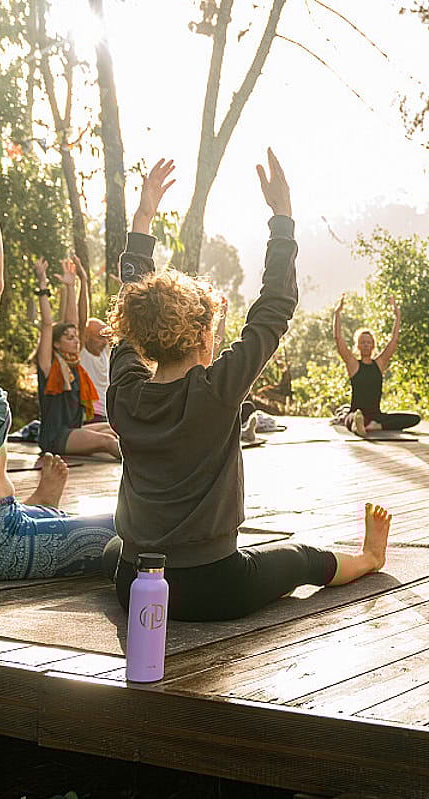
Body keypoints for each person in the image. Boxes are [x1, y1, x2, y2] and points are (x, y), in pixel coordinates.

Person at [106, 153, 391, 621]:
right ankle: (369, 560)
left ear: (140, 334)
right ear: (202, 336)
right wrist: (283, 219)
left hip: (132, 581)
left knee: (113, 548)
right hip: (213, 585)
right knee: (298, 558)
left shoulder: (124, 392)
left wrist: (142, 221)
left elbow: (130, 311)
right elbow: (274, 307)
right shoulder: (216, 391)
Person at [0, 193, 115, 581]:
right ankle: (42, 507)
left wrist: (74, 285)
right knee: (132, 529)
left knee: (59, 515)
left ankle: (41, 503)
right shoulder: (48, 360)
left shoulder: (74, 361)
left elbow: (70, 323)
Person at [33, 258, 121, 459]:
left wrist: (72, 285)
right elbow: (47, 325)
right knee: (107, 441)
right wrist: (42, 285)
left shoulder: (74, 363)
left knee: (115, 428)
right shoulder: (49, 365)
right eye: (69, 338)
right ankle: (146, 468)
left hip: (74, 429)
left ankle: (158, 454)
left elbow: (74, 321)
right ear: (56, 343)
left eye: (76, 338)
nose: (75, 342)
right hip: (55, 437)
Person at [333, 293, 420, 435]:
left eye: (368, 342)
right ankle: (357, 424)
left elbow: (394, 341)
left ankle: (373, 426)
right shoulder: (353, 364)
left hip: (376, 416)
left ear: (373, 345)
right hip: (357, 412)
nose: (366, 345)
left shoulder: (379, 364)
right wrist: (337, 313)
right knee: (350, 417)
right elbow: (338, 338)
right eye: (362, 342)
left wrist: (397, 317)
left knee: (414, 419)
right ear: (358, 346)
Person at [59, 254, 111, 422]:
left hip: (108, 416)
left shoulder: (106, 352)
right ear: (86, 336)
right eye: (100, 337)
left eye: (106, 338)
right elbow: (81, 320)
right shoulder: (80, 351)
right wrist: (83, 281)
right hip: (89, 416)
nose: (105, 342)